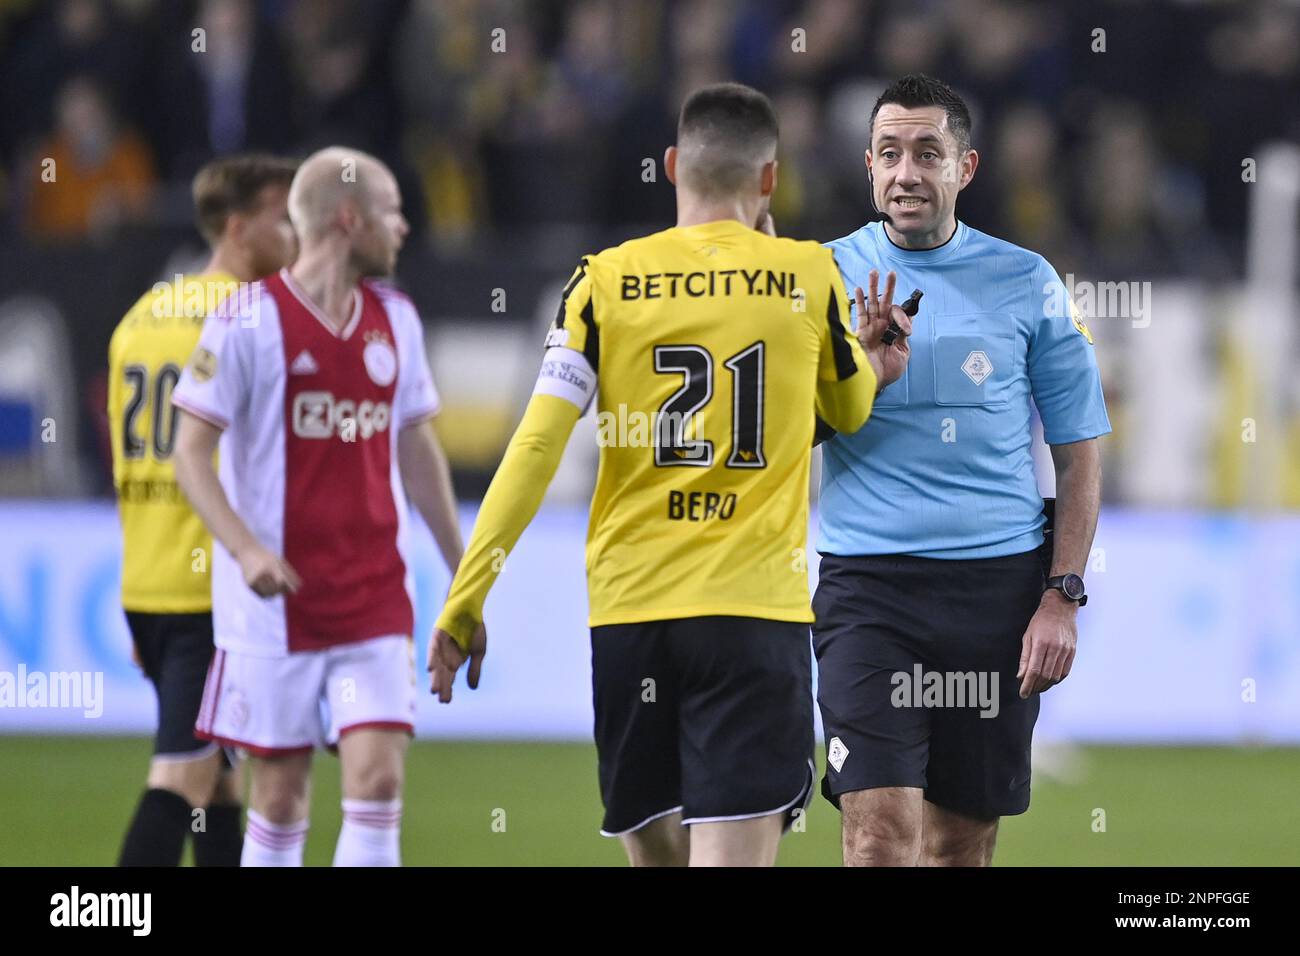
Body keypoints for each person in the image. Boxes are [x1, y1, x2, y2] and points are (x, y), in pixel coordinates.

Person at [427, 83, 904, 867]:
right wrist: (873, 365)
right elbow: (848, 410)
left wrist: (467, 594)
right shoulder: (806, 273)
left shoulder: (602, 281)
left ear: (675, 165)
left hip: (632, 617)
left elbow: (536, 446)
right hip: (754, 615)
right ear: (770, 180)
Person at [813, 74, 1110, 866]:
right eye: (888, 154)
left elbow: (1079, 451)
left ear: (965, 168)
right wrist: (861, 373)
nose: (905, 172)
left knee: (956, 845)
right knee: (878, 834)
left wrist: (1062, 594)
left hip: (996, 594)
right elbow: (781, 436)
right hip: (866, 591)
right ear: (868, 167)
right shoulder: (820, 279)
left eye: (926, 153)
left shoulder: (1028, 281)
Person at [170, 147, 473, 867]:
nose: (404, 227)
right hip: (275, 608)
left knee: (378, 781)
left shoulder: (396, 320)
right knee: (278, 800)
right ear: (349, 217)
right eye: (393, 211)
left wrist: (466, 572)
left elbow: (416, 450)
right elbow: (189, 452)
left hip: (373, 596)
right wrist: (246, 550)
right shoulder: (246, 322)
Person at [110, 152, 297, 866]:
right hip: (210, 592)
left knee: (221, 779)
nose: (299, 236)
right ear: (239, 227)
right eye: (285, 220)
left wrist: (142, 604)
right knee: (183, 777)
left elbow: (130, 466)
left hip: (150, 582)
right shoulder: (251, 321)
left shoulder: (143, 315)